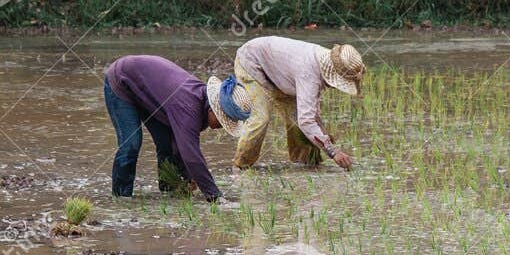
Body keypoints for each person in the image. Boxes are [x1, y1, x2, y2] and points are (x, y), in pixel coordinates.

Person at [103, 55, 250, 202]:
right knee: (131, 144)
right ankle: (121, 199)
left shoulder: (199, 102)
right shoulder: (187, 107)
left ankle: (169, 190)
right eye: (222, 122)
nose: (220, 127)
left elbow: (179, 145)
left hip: (148, 89)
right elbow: (191, 154)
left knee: (166, 143)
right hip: (122, 81)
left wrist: (187, 178)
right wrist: (214, 196)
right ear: (213, 109)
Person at [232, 37, 364, 171]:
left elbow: (311, 114)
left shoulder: (333, 61)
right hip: (251, 62)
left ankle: (306, 166)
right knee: (260, 119)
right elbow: (307, 121)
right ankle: (241, 167)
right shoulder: (309, 74)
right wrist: (333, 151)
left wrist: (323, 135)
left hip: (280, 72)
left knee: (297, 122)